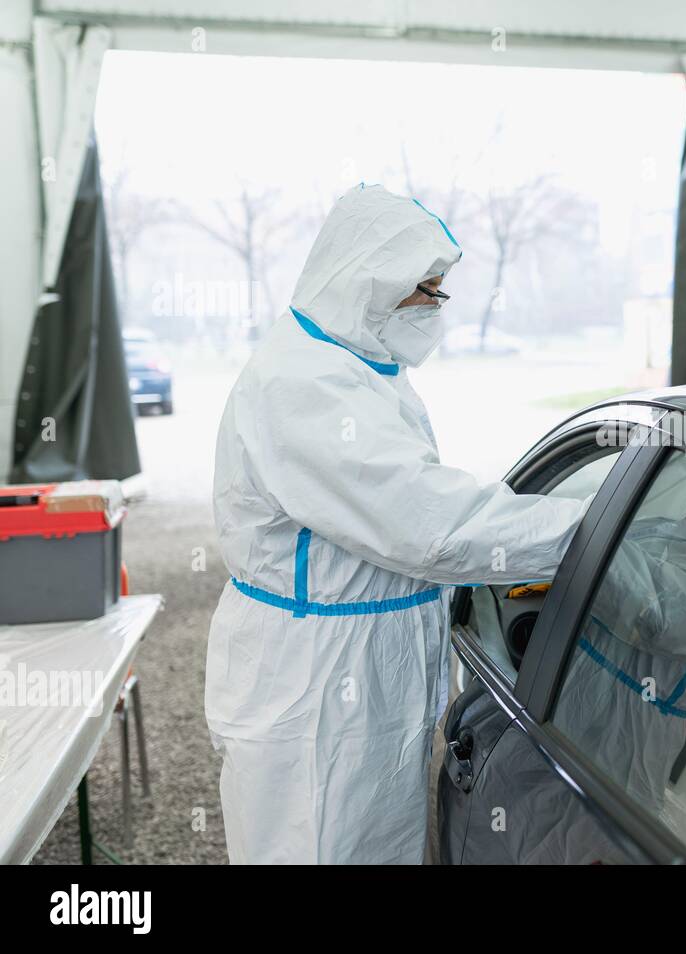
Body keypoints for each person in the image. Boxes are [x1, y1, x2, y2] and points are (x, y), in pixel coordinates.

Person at [205, 183, 587, 864]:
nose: (435, 305)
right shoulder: (303, 387)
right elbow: (430, 524)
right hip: (318, 681)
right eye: (424, 288)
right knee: (319, 839)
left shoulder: (358, 366)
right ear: (366, 281)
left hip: (360, 666)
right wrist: (590, 533)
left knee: (373, 837)